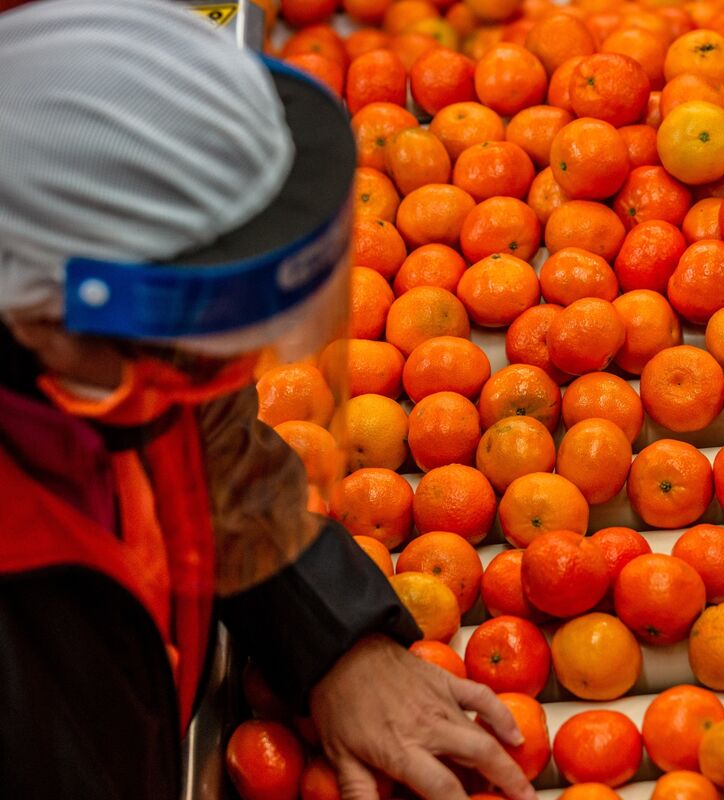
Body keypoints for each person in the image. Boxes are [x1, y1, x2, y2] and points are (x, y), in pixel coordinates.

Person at [0, 3, 535, 800]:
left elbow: (204, 428)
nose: (226, 369)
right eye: (192, 339)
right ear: (42, 316)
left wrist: (330, 636)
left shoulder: (103, 364)